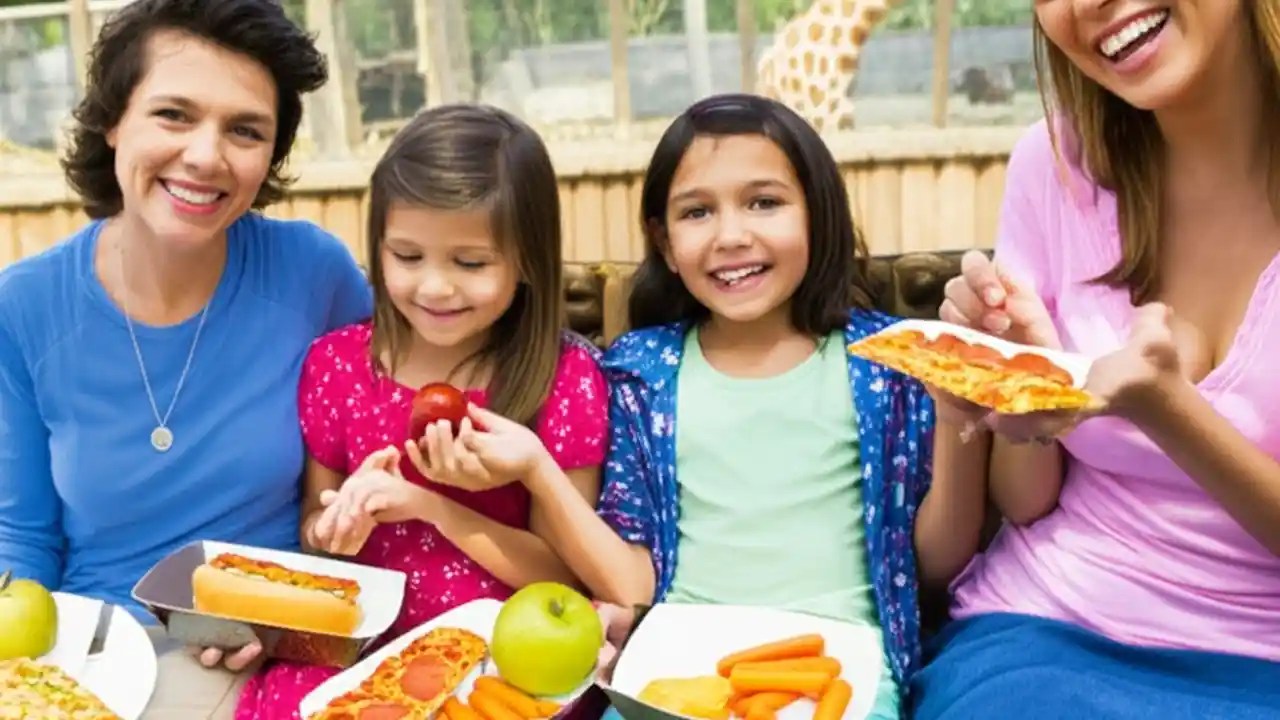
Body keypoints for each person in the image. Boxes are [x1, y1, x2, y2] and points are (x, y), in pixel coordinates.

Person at [910, 2, 1280, 718]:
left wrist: (1172, 414)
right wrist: (1029, 385)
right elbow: (1026, 500)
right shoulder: (1053, 166)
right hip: (1043, 630)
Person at [523, 94, 937, 719]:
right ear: (664, 242)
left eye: (764, 202)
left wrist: (968, 422)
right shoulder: (641, 374)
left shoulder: (887, 364)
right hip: (677, 671)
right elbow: (633, 570)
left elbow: (933, 558)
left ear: (818, 215)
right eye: (697, 212)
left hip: (841, 676)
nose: (732, 235)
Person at [0, 0, 372, 695]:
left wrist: (298, 620)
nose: (205, 156)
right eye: (174, 114)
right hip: (90, 653)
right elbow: (22, 539)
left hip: (256, 652)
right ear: (113, 120)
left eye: (245, 130)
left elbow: (373, 469)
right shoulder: (22, 306)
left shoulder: (314, 276)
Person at [233, 103, 609, 720]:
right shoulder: (336, 366)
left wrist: (435, 508)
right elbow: (314, 529)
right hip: (354, 644)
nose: (435, 287)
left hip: (503, 649)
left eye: (470, 263)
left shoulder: (562, 378)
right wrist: (335, 527)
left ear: (528, 261)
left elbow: (564, 578)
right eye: (407, 257)